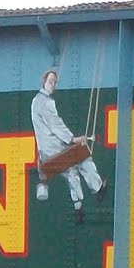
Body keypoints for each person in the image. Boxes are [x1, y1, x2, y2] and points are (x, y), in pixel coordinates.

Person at [30, 68, 106, 223]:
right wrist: (73, 139)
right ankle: (97, 188)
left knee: (71, 173)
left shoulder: (36, 101)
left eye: (55, 82)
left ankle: (78, 208)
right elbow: (55, 125)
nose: (53, 85)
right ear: (44, 82)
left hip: (45, 153)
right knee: (84, 156)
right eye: (50, 81)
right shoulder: (45, 102)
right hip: (55, 149)